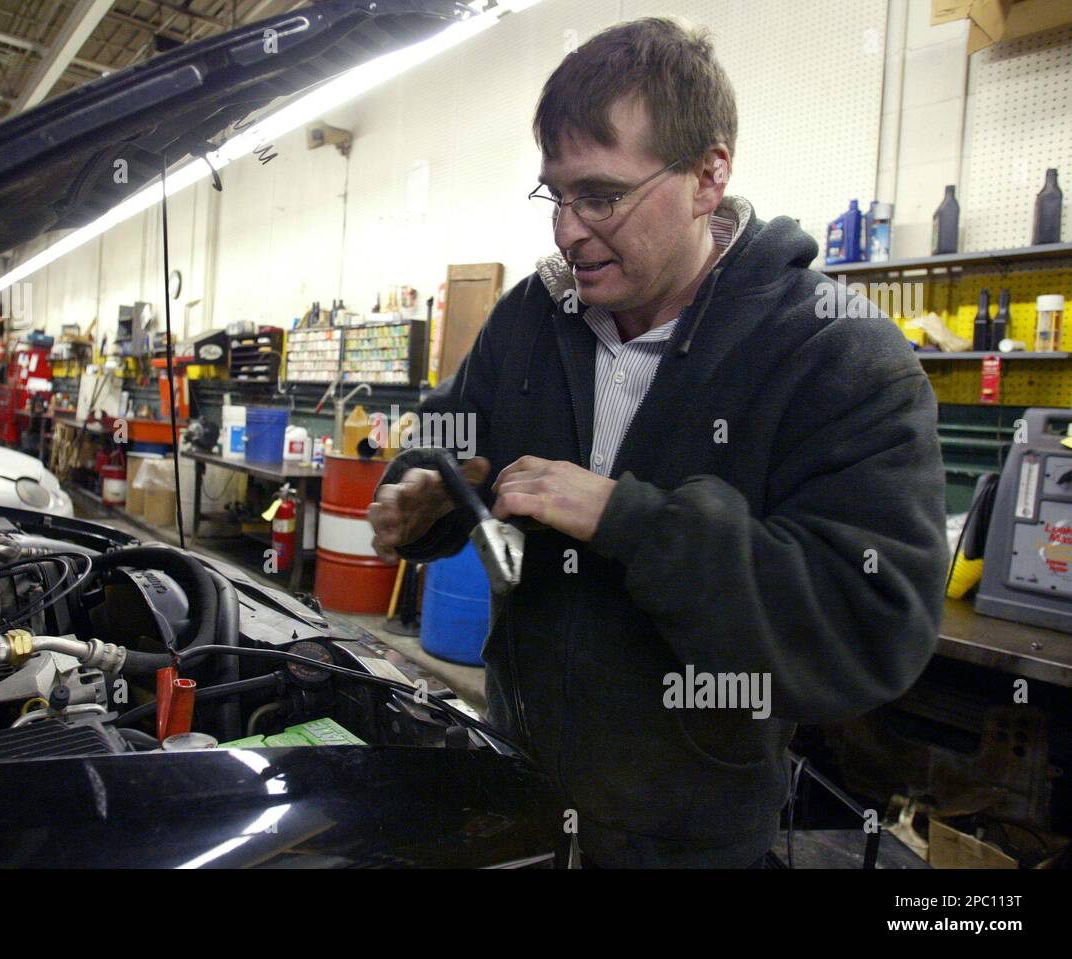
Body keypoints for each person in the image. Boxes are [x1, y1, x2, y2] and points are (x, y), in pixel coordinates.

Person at [367, 18, 948, 867]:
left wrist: (630, 521)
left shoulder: (834, 353)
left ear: (709, 176)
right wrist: (424, 490)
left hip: (689, 838)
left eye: (601, 195)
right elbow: (449, 436)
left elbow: (874, 627)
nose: (567, 230)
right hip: (513, 798)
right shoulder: (533, 319)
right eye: (554, 195)